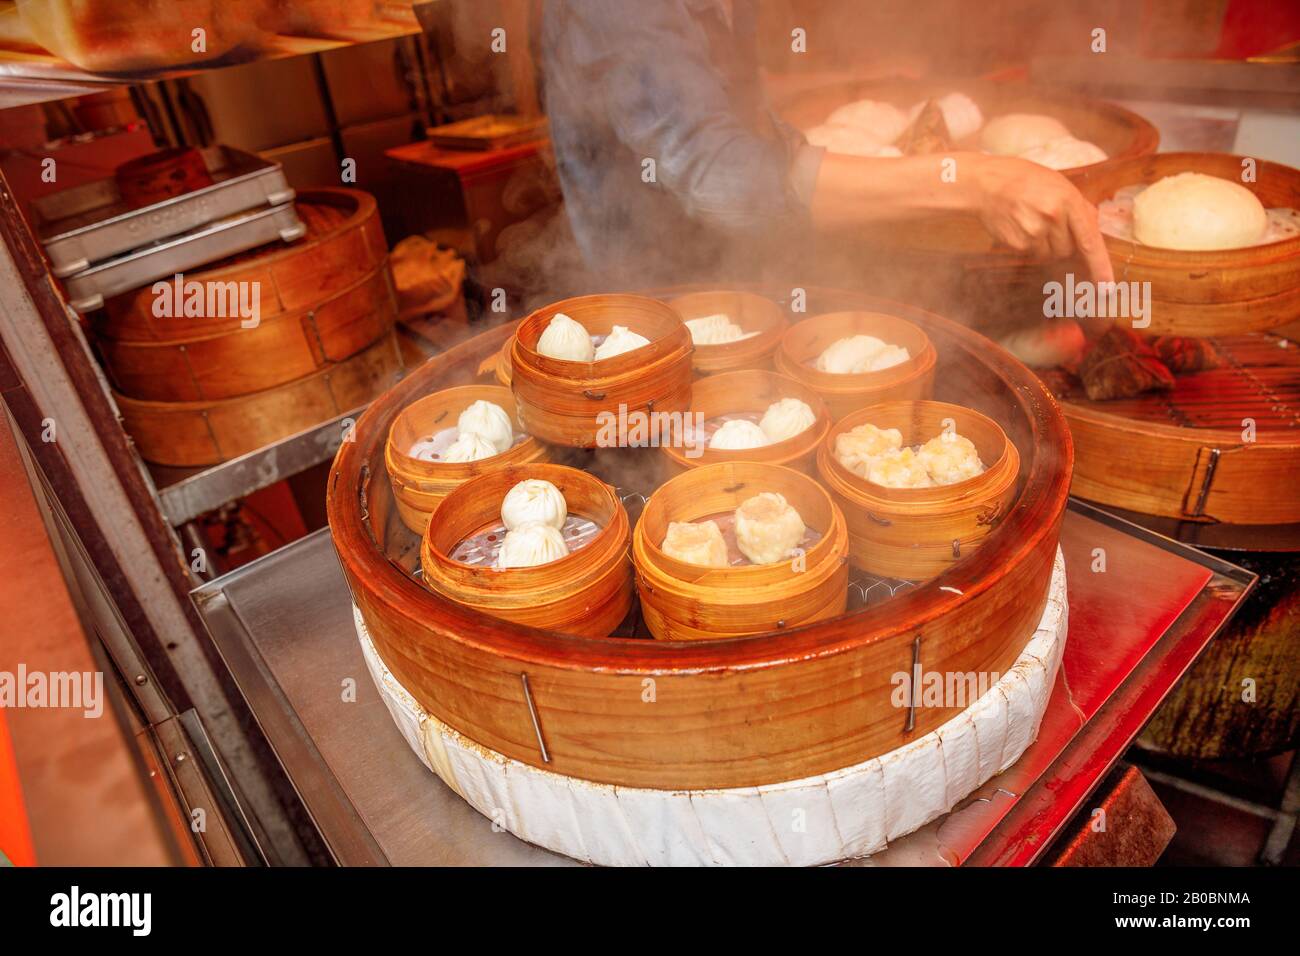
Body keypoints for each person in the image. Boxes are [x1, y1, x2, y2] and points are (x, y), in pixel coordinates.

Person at [538, 0, 1113, 289]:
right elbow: (718, 173)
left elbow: (719, 102)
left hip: (742, 280)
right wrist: (977, 180)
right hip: (652, 311)